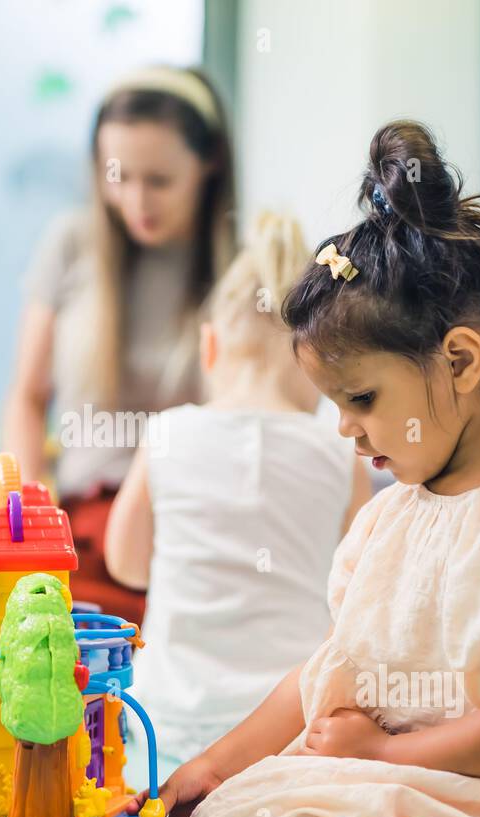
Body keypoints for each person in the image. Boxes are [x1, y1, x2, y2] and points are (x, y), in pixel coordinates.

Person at [126, 121, 480, 817]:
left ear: (461, 362)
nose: (344, 428)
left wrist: (379, 751)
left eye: (363, 398)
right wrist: (213, 767)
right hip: (412, 785)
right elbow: (322, 671)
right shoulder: (390, 515)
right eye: (334, 404)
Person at [104, 212, 370, 761]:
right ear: (319, 361)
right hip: (291, 732)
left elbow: (125, 564)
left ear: (209, 347)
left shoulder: (167, 434)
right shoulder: (341, 455)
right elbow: (359, 596)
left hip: (167, 729)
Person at [3, 65, 237, 625]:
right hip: (79, 528)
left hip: (192, 533)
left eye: (158, 180)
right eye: (118, 176)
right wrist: (30, 515)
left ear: (209, 165)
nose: (136, 201)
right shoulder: (70, 241)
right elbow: (27, 399)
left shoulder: (244, 270)